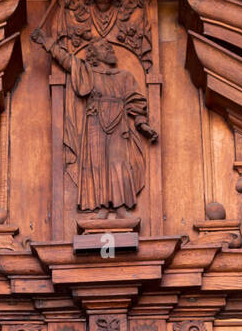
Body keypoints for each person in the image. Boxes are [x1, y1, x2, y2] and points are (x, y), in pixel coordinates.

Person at [32, 31, 157, 213]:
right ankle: (101, 207)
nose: (109, 49)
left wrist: (142, 123)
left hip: (118, 125)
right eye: (103, 47)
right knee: (96, 162)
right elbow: (66, 59)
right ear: (93, 54)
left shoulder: (124, 76)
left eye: (109, 47)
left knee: (118, 161)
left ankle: (120, 206)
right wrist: (46, 41)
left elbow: (135, 103)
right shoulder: (86, 72)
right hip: (95, 122)